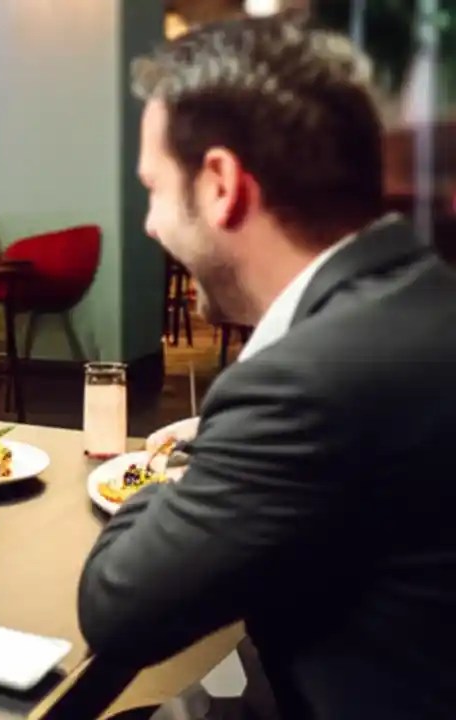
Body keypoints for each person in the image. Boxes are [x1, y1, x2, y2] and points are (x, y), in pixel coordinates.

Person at [77, 15, 456, 720]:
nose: (151, 224)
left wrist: (201, 454)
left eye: (154, 190)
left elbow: (116, 604)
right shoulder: (423, 291)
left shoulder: (305, 380)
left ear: (221, 183)